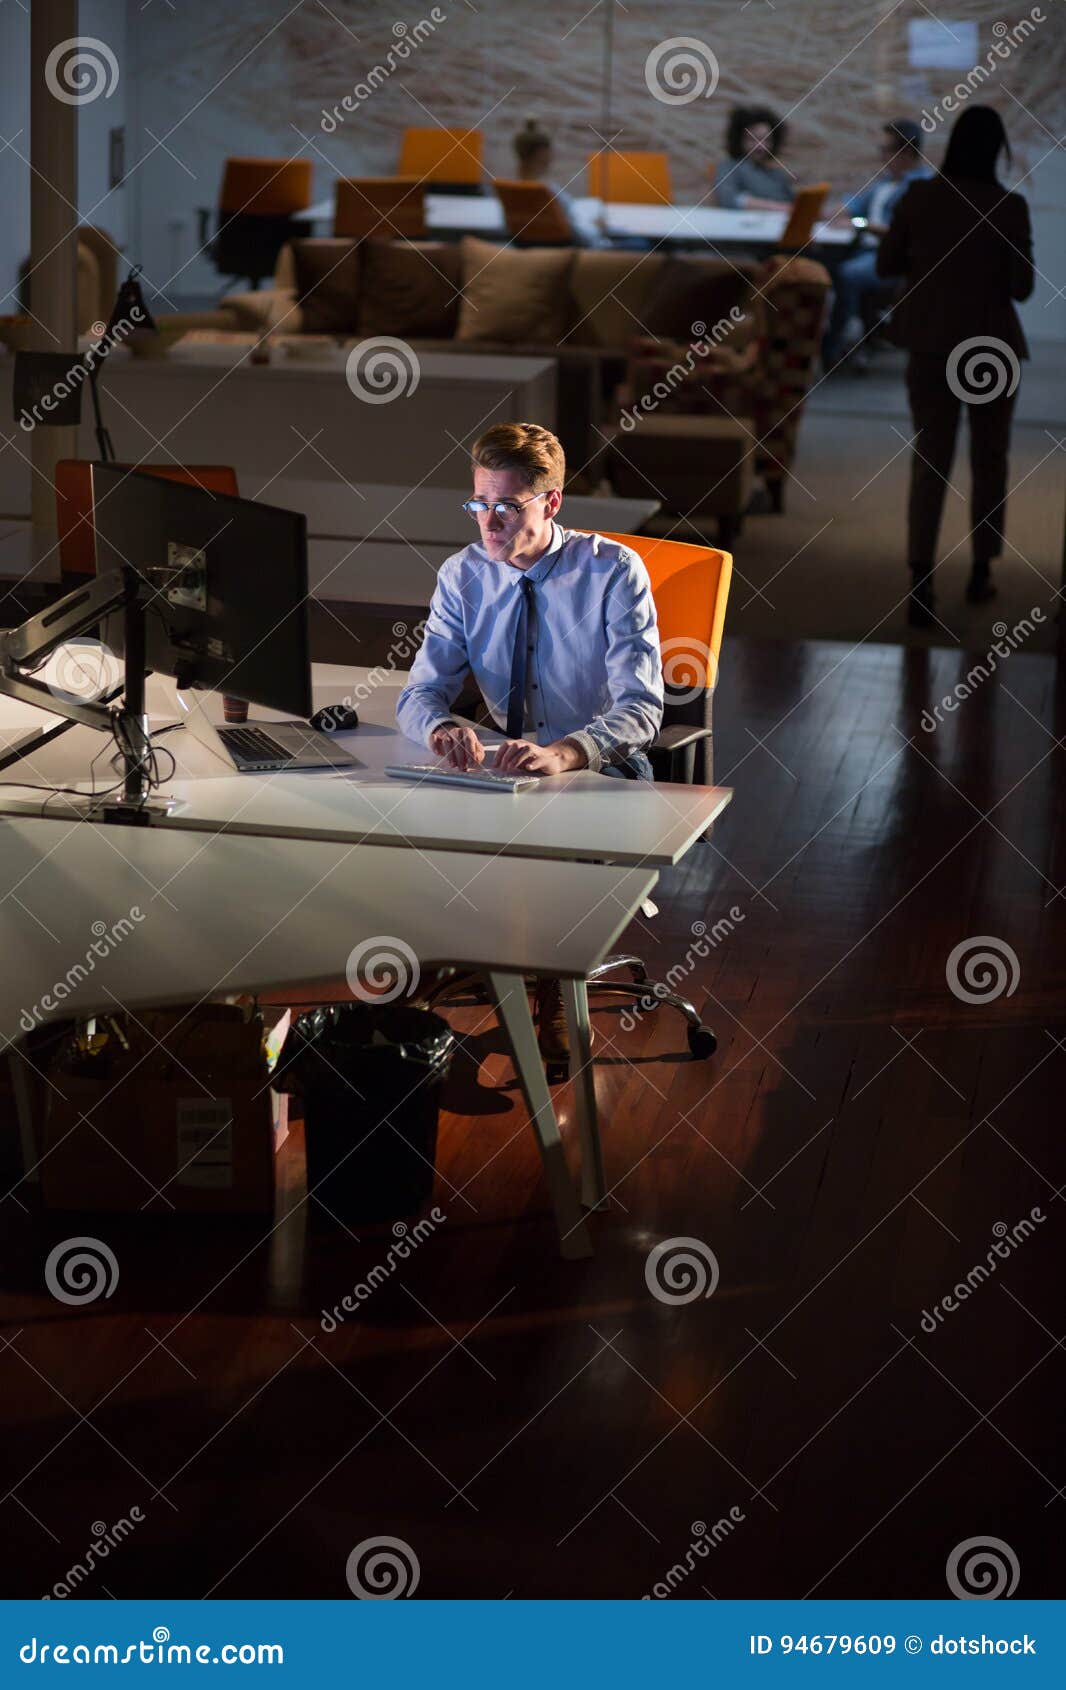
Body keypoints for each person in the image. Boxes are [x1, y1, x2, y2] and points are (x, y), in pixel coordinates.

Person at [396, 422, 663, 1061]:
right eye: (479, 504)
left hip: (601, 768)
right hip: (504, 766)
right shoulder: (463, 574)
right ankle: (446, 970)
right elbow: (417, 694)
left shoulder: (612, 571)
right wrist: (442, 726)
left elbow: (643, 710)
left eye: (507, 507)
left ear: (551, 502)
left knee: (544, 846)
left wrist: (565, 752)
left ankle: (549, 993)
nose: (488, 523)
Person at [877, 106, 1034, 626]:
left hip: (930, 341)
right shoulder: (1010, 207)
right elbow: (1022, 288)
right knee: (991, 457)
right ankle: (981, 570)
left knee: (931, 458)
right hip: (992, 346)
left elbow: (886, 265)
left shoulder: (919, 199)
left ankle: (920, 582)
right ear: (997, 151)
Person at [822, 120, 931, 369]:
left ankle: (839, 342)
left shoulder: (922, 186)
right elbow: (855, 205)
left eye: (886, 149)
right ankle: (835, 340)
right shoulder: (885, 182)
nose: (881, 155)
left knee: (847, 274)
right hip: (866, 251)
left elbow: (905, 234)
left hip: (894, 259)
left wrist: (859, 224)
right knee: (823, 263)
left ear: (906, 153)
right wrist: (831, 212)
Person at [511, 117, 587, 244]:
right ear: (542, 154)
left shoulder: (508, 191)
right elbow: (580, 235)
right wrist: (596, 227)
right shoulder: (549, 193)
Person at [713, 107, 794, 211]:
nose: (760, 146)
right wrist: (778, 207)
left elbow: (793, 201)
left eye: (766, 140)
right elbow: (730, 199)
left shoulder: (777, 175)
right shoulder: (729, 168)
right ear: (739, 140)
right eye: (753, 139)